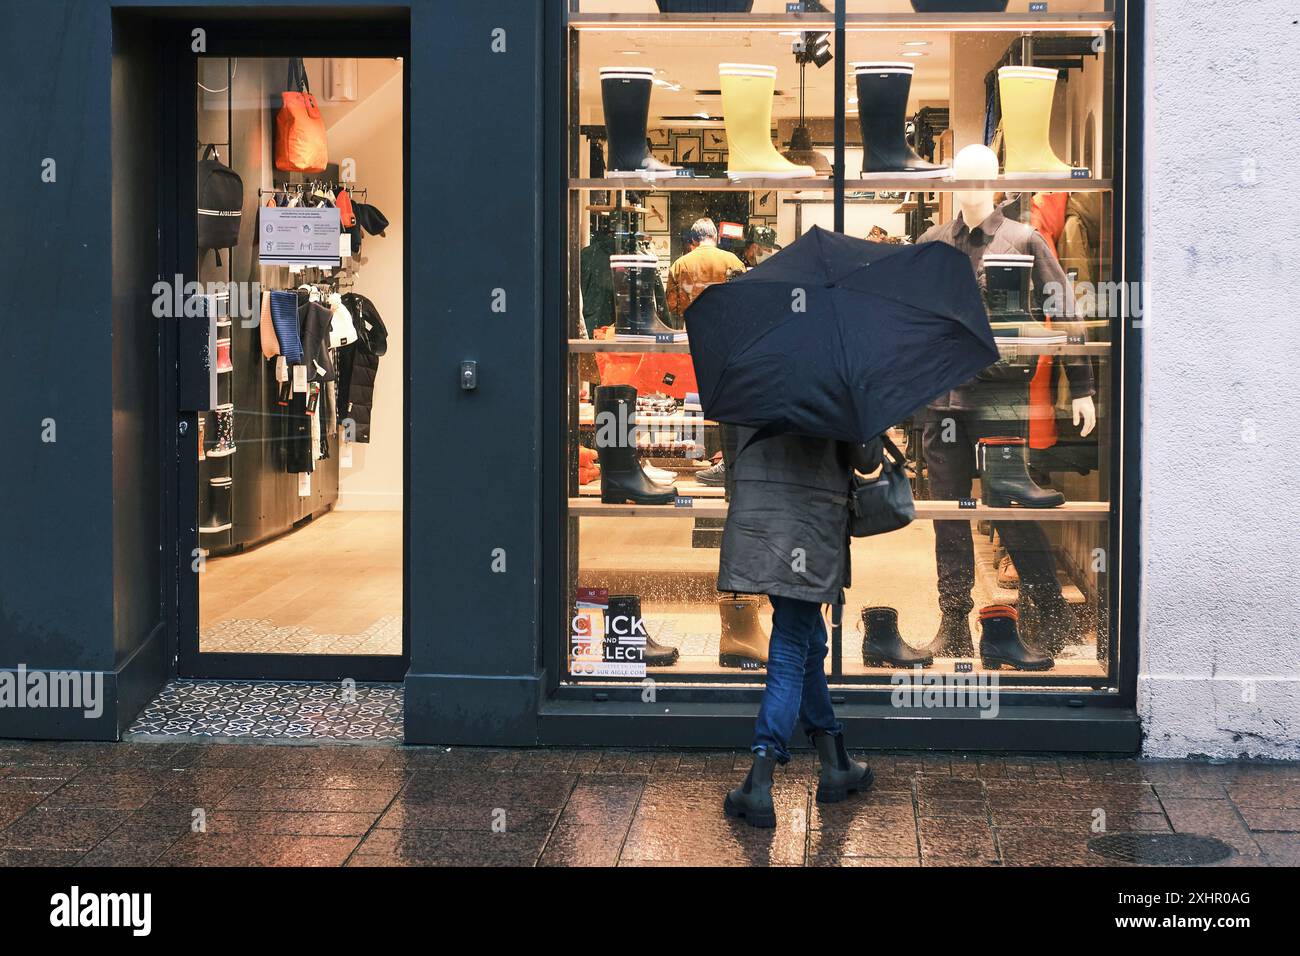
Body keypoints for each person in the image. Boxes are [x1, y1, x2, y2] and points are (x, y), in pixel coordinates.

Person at [719, 427, 880, 827]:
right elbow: (867, 459)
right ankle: (761, 775)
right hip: (810, 521)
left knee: (809, 639)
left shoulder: (749, 366)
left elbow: (731, 450)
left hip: (758, 516)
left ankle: (834, 760)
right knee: (793, 640)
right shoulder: (834, 371)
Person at [666, 218, 746, 316]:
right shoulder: (733, 261)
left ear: (693, 240)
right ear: (715, 237)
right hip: (726, 324)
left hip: (693, 326)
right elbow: (743, 297)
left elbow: (672, 305)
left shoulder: (679, 265)